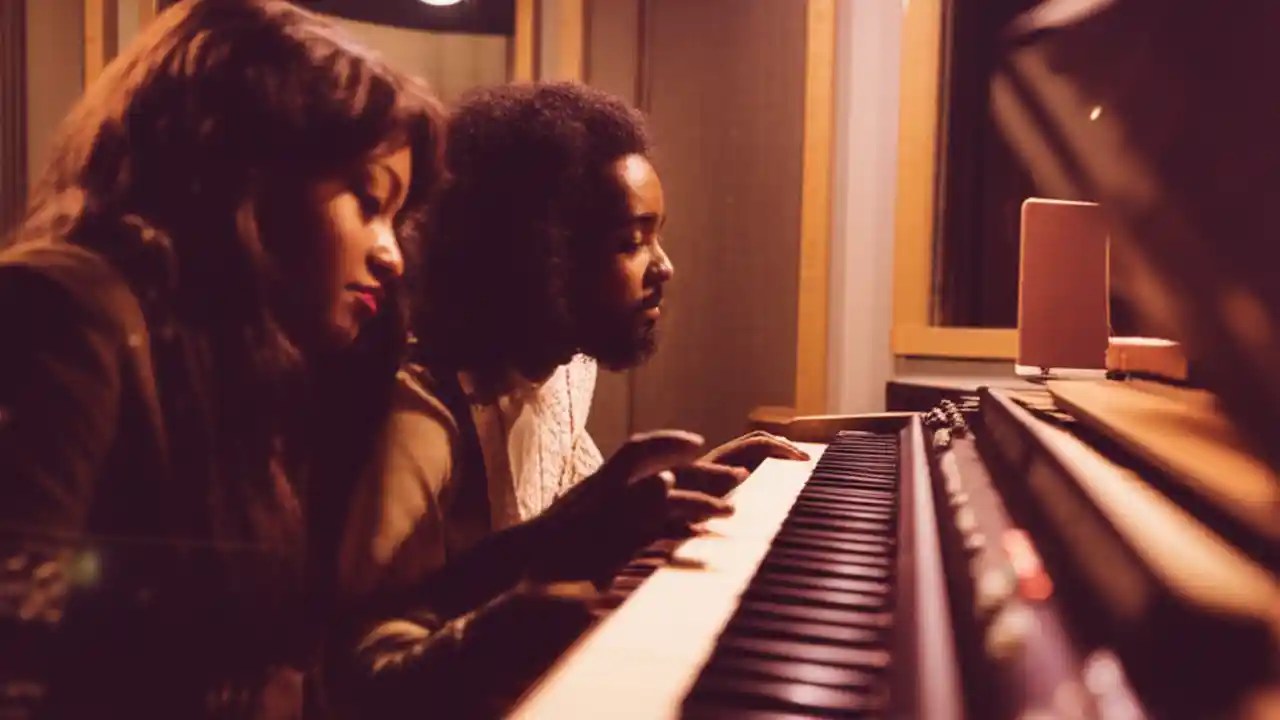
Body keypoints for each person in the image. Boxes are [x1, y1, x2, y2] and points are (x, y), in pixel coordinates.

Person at [0, 0, 446, 716]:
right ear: (248, 174)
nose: (392, 255)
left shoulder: (244, 371)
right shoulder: (65, 309)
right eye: (367, 200)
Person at [331, 83, 807, 717]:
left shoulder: (558, 372)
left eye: (656, 236)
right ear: (541, 256)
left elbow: (577, 523)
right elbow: (359, 671)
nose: (663, 267)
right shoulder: (420, 410)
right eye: (629, 242)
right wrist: (496, 630)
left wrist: (681, 491)